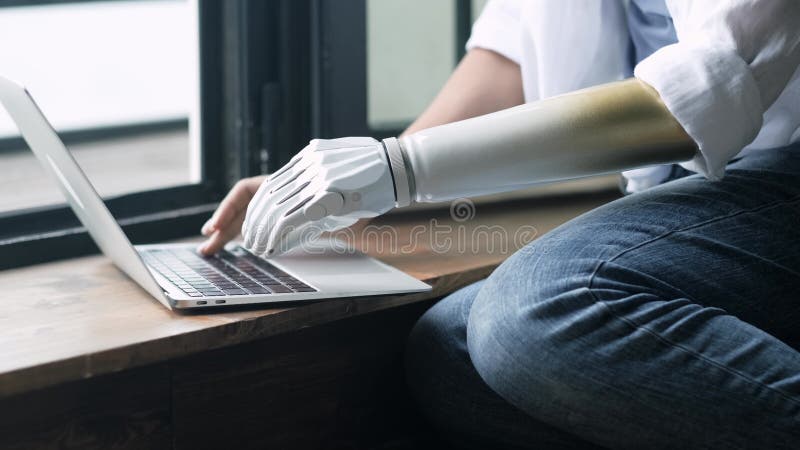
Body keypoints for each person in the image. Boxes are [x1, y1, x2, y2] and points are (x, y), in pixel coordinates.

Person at [199, 0, 800, 447]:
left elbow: (705, 90)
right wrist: (352, 192)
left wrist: (400, 167)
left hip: (781, 169)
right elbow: (512, 48)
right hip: (693, 189)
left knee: (536, 308)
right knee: (450, 350)